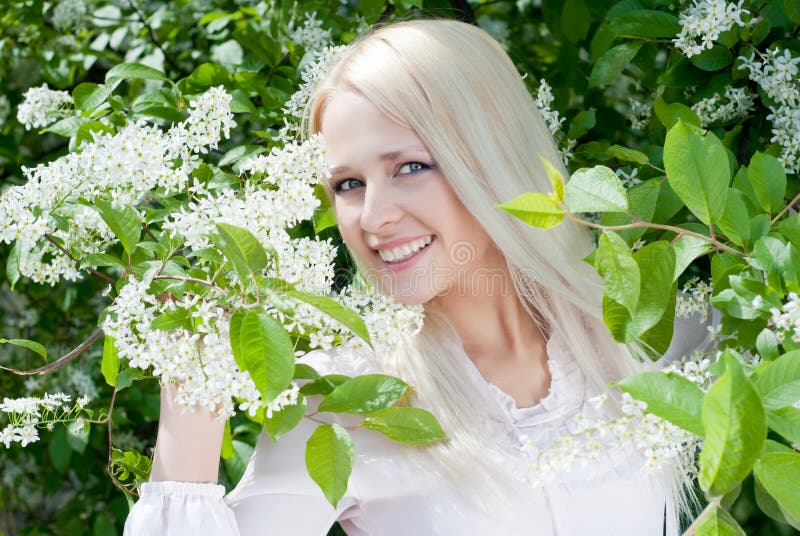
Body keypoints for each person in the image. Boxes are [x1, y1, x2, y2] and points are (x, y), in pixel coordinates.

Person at [123, 18, 710, 535]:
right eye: (347, 184)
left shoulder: (649, 333)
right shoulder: (342, 402)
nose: (373, 217)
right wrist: (191, 403)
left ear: (491, 157)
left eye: (409, 167)